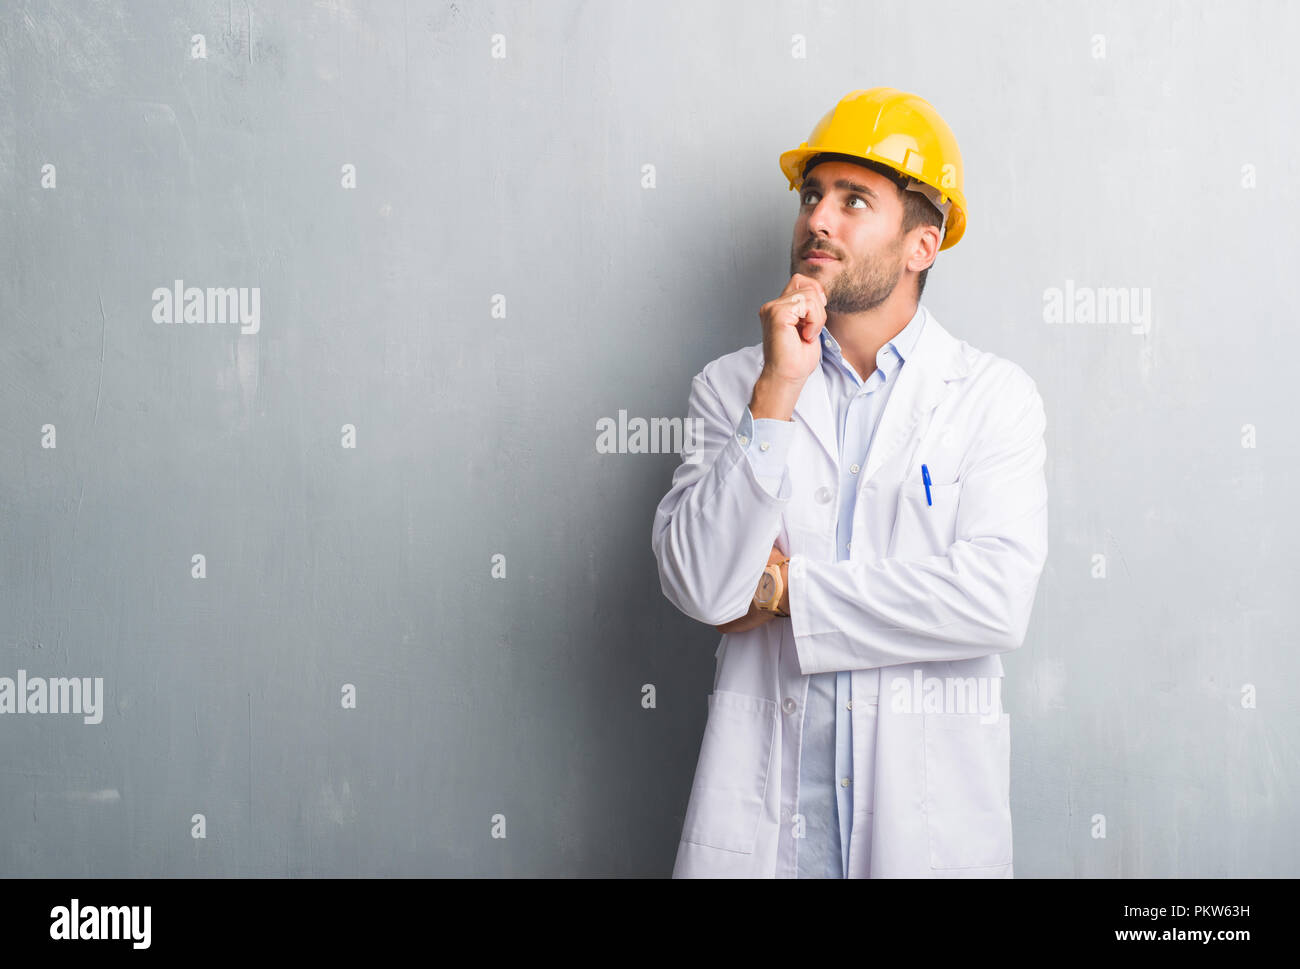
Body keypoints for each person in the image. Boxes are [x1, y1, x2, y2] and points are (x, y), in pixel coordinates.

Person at [651, 88, 1049, 878]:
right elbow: (700, 584)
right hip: (766, 842)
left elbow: (996, 598)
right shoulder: (734, 385)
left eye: (853, 200)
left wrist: (786, 590)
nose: (816, 221)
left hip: (926, 844)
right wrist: (777, 393)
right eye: (812, 195)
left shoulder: (993, 397)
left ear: (920, 247)